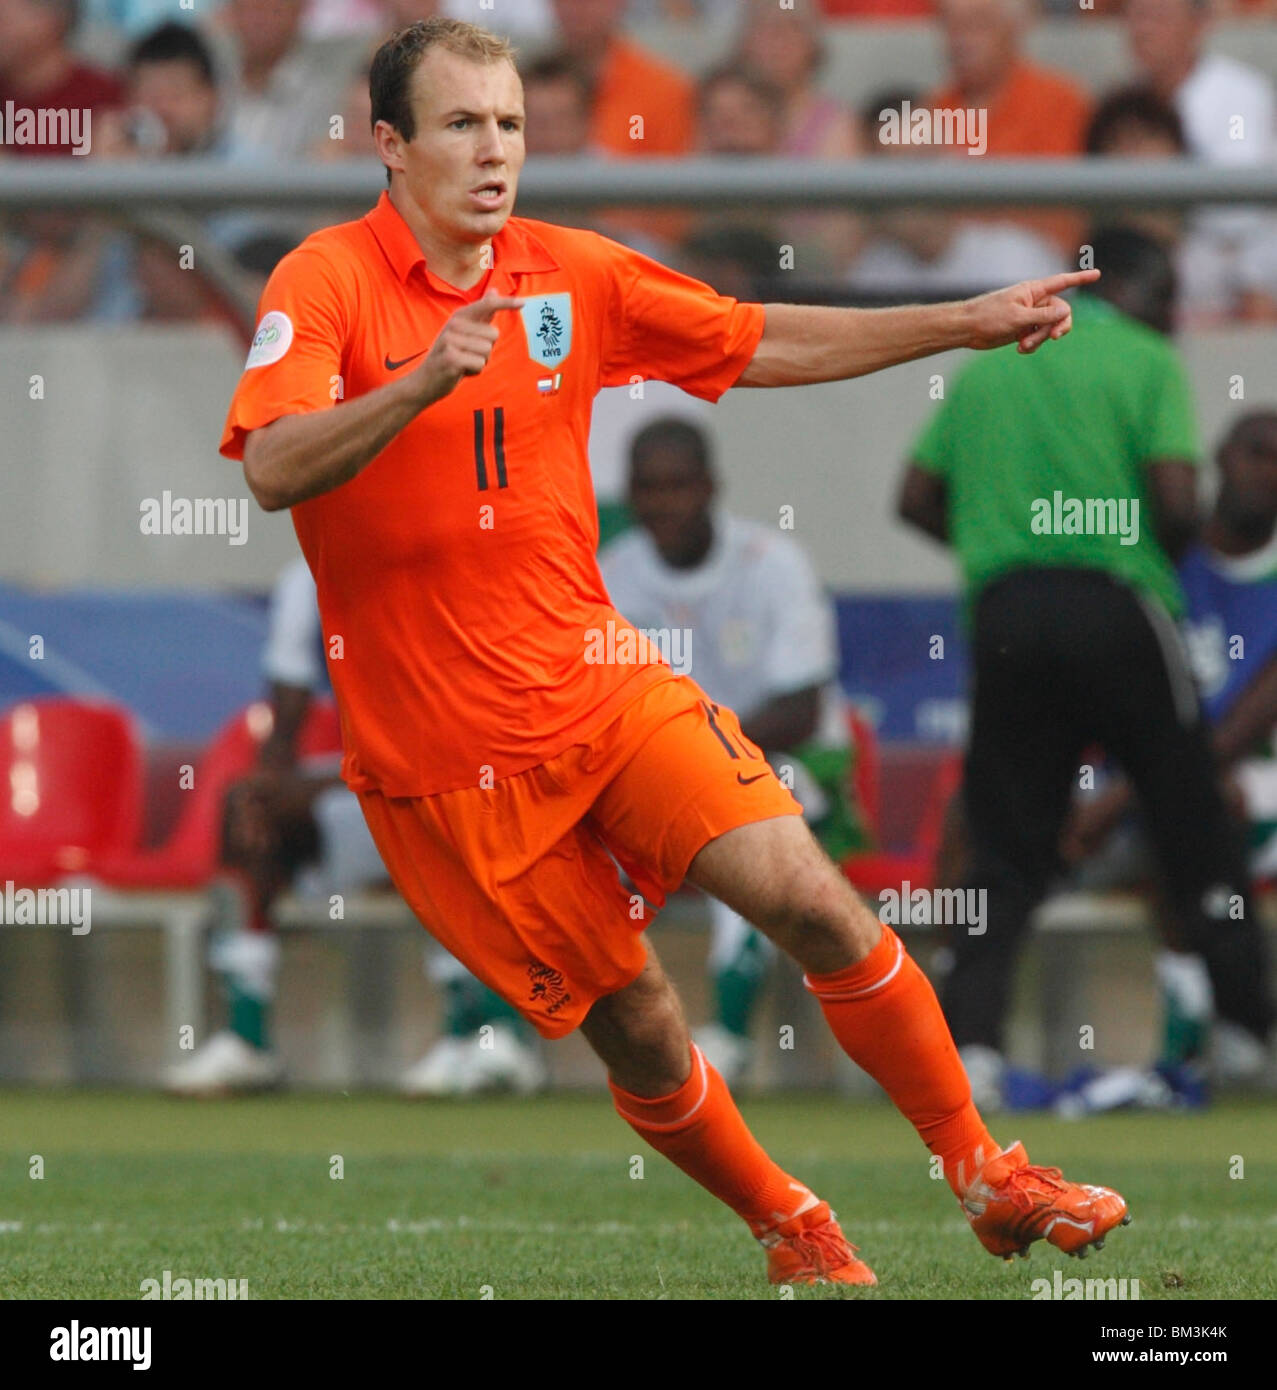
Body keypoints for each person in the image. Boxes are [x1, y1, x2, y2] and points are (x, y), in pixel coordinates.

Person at [220, 16, 1125, 1286]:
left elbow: (752, 338)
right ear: (389, 142)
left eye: (511, 126)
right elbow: (269, 465)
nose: (494, 153)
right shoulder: (323, 284)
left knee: (811, 898)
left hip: (601, 685)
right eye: (462, 125)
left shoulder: (570, 273)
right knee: (640, 1022)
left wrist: (960, 320)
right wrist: (417, 384)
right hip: (448, 763)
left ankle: (984, 1168)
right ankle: (789, 1225)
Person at [897, 226, 1275, 1112]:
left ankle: (974, 1049)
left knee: (1003, 841)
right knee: (1189, 817)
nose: (1176, 315)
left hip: (1004, 612)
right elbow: (1179, 501)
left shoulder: (988, 366)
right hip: (1116, 602)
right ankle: (1245, 1032)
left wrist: (1009, 544)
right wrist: (1119, 550)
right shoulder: (1143, 359)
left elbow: (914, 498)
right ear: (1134, 289)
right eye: (1169, 295)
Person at [165, 556, 546, 1098]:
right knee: (246, 806)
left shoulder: (449, 558)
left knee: (444, 800)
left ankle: (490, 1035)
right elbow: (284, 720)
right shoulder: (308, 575)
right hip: (375, 789)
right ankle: (247, 1040)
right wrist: (269, 789)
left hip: (482, 783)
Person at [601, 418, 865, 1086]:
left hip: (784, 769)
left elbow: (801, 709)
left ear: (709, 486)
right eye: (646, 488)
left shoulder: (772, 563)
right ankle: (493, 1038)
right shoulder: (609, 576)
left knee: (742, 817)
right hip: (658, 781)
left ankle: (725, 1035)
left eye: (677, 485)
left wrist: (694, 758)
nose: (662, 502)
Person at [1060, 411, 1277, 1097]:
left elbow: (1235, 733)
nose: (1264, 470)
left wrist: (1118, 798)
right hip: (1136, 787)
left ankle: (1190, 1047)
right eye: (1253, 452)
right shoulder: (1154, 565)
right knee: (975, 817)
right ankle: (953, 1043)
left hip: (1249, 789)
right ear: (1218, 457)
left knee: (1193, 801)